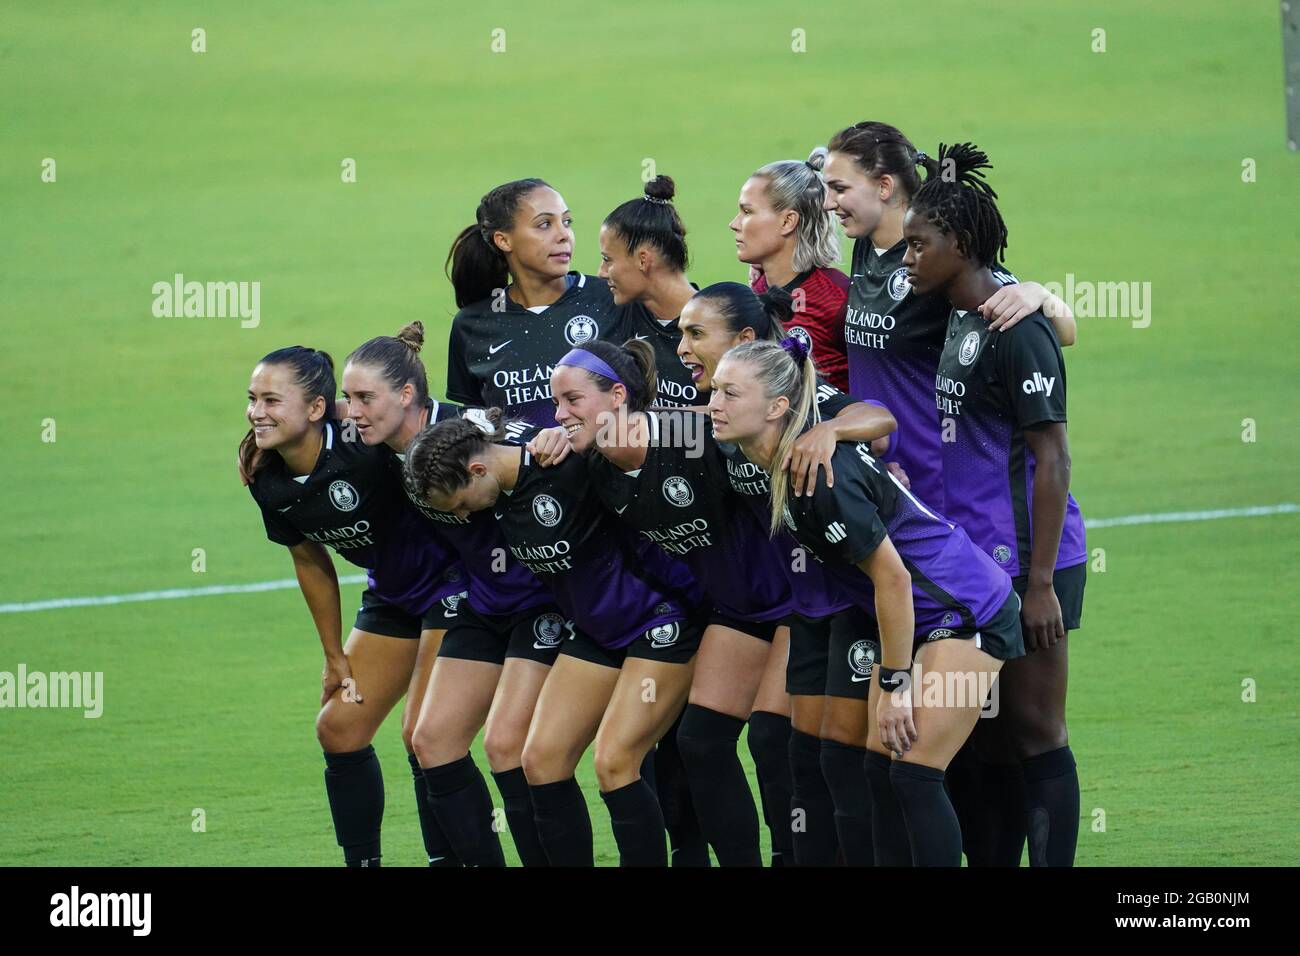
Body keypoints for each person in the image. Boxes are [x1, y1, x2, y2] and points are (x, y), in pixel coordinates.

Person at [710, 338, 1024, 867]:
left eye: (729, 393)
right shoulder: (781, 453)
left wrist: (896, 685)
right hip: (921, 618)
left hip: (966, 611)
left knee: (915, 774)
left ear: (776, 408)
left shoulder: (819, 482)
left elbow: (894, 581)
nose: (714, 403)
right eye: (715, 390)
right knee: (881, 773)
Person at [403, 400, 706, 867]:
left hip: (660, 621)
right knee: (540, 760)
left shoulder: (567, 464)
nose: (464, 517)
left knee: (614, 763)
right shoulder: (500, 487)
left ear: (478, 469)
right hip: (596, 632)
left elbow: (657, 435)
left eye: (461, 504)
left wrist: (569, 436)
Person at [905, 143, 1088, 866]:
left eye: (921, 245)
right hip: (975, 566)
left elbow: (1054, 457)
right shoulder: (954, 314)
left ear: (964, 244)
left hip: (1031, 566)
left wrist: (1039, 585)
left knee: (1035, 731)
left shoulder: (1019, 329)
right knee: (981, 733)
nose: (908, 257)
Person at [677, 283, 901, 865]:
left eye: (696, 334)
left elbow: (878, 419)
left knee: (835, 757)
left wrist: (831, 431)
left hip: (850, 598)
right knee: (802, 755)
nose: (682, 347)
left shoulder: (787, 394)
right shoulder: (721, 414)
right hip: (801, 601)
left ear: (744, 343)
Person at [341, 322, 565, 866]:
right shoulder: (385, 449)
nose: (353, 412)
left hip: (543, 604)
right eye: (348, 399)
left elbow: (540, 459)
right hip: (485, 603)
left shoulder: (467, 435)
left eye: (365, 398)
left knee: (509, 749)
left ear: (407, 395)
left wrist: (560, 435)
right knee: (431, 739)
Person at [241, 346, 466, 867]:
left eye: (273, 400)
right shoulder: (267, 479)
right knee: (338, 729)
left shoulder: (366, 441)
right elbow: (309, 560)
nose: (257, 412)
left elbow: (396, 413)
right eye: (252, 399)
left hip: (455, 585)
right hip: (392, 594)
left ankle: (450, 859)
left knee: (422, 734)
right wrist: (333, 655)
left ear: (318, 408)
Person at [822, 121, 1077, 512]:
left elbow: (1062, 331)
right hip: (886, 478)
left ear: (884, 187)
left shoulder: (935, 263)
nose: (828, 202)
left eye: (840, 189)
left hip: (940, 489)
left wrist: (1038, 294)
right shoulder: (866, 248)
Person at [444, 179, 622, 427]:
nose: (563, 235)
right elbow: (477, 426)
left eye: (567, 222)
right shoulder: (472, 325)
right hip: (517, 465)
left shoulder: (611, 297)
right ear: (503, 240)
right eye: (545, 224)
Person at [733, 147, 851, 392]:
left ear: (788, 221)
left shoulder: (839, 299)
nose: (734, 224)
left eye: (747, 212)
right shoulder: (759, 287)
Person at [598, 175, 705, 409]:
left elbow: (735, 414)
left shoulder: (718, 325)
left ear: (643, 260)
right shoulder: (613, 310)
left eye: (607, 260)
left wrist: (644, 421)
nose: (601, 273)